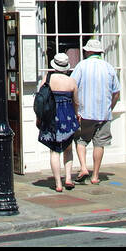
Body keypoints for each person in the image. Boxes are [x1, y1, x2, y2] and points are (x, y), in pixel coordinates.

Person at [72, 38, 121, 185]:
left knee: (80, 140)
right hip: (103, 114)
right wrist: (109, 108)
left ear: (88, 51)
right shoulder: (109, 68)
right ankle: (95, 176)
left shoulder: (81, 66)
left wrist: (75, 108)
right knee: (99, 144)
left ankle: (83, 167)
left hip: (84, 112)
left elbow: (72, 86)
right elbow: (116, 92)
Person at [37, 53, 80, 192]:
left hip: (51, 116)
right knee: (68, 149)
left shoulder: (47, 79)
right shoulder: (71, 81)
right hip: (67, 116)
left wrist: (39, 117)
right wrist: (76, 115)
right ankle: (68, 178)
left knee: (54, 151)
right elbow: (76, 102)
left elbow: (40, 100)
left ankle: (58, 183)